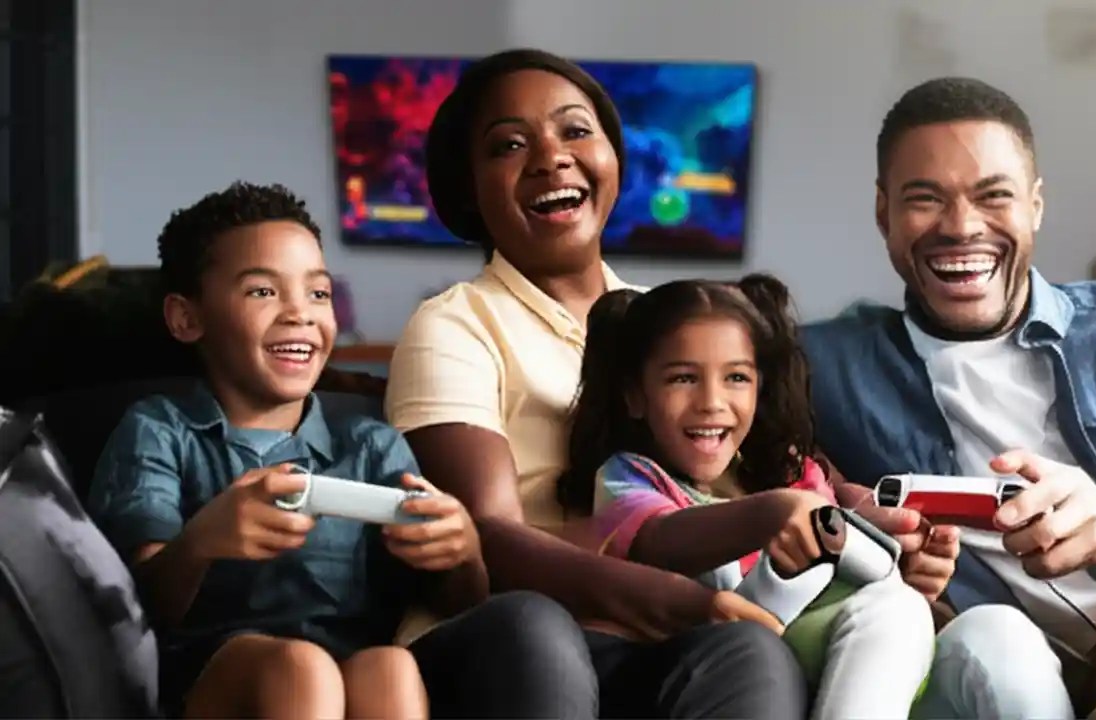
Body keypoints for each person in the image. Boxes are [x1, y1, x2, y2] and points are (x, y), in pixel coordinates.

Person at [802, 76, 1096, 718]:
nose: (961, 226)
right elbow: (663, 353)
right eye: (925, 199)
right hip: (1076, 683)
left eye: (992, 196)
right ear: (883, 211)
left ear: (1035, 207)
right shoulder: (823, 365)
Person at [385, 49, 809, 719]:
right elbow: (485, 533)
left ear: (616, 159)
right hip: (506, 639)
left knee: (752, 652)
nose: (552, 157)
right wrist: (676, 601)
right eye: (509, 144)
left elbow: (779, 476)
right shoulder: (453, 324)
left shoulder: (678, 319)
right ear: (468, 187)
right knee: (538, 625)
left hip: (648, 641)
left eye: (575, 130)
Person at [89, 181, 587, 719]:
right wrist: (201, 542)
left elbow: (451, 603)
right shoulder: (160, 431)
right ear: (188, 318)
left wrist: (461, 551)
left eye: (318, 294)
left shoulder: (371, 445)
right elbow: (132, 609)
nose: (299, 313)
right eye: (262, 291)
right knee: (301, 669)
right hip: (203, 681)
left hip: (352, 678)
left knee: (390, 667)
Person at [557, 275, 938, 719]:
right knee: (893, 613)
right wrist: (772, 513)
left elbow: (840, 529)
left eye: (736, 377)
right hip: (733, 657)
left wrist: (900, 539)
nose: (711, 402)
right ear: (635, 395)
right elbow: (657, 540)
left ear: (761, 388)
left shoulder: (786, 472)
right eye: (683, 378)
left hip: (838, 648)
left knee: (912, 612)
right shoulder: (631, 477)